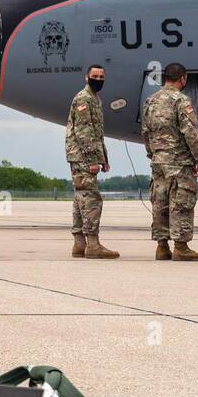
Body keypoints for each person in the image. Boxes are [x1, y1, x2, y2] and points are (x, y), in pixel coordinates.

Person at [141, 62, 198, 261]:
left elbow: (145, 133)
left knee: (160, 202)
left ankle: (162, 247)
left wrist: (154, 154)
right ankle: (181, 247)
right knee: (181, 203)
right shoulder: (181, 101)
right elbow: (191, 133)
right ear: (182, 79)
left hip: (159, 161)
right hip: (179, 162)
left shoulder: (150, 101)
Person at [66, 65, 117, 258]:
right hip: (82, 157)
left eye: (102, 76)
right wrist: (92, 160)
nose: (99, 79)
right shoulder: (84, 98)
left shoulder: (94, 99)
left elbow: (97, 133)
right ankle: (93, 244)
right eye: (95, 76)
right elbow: (84, 132)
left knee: (80, 199)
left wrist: (103, 158)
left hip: (84, 156)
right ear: (86, 77)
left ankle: (79, 243)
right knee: (91, 200)